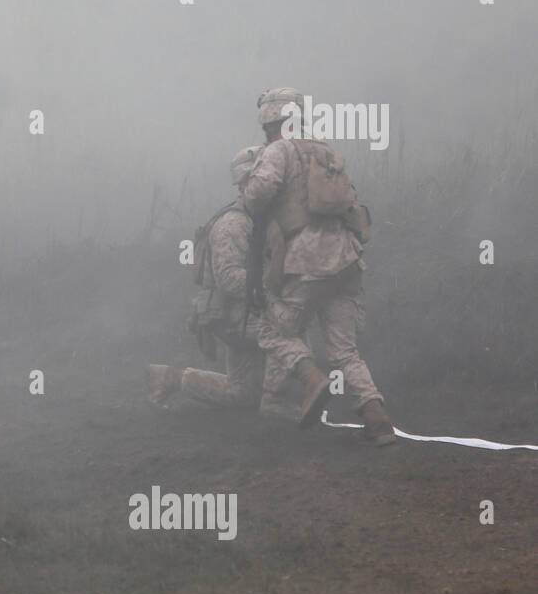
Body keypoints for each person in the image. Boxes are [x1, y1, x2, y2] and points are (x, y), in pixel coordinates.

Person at [240, 87, 395, 445]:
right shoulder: (325, 150)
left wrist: (250, 186)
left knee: (273, 332)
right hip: (344, 262)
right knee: (344, 350)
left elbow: (258, 193)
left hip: (304, 262)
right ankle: (377, 418)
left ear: (271, 121)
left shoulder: (279, 150)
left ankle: (312, 380)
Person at [148, 146, 290, 411]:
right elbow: (228, 278)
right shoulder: (233, 224)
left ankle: (170, 378)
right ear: (248, 184)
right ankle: (278, 407)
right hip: (232, 315)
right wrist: (273, 288)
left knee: (241, 395)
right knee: (287, 330)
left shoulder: (258, 219)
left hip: (246, 311)